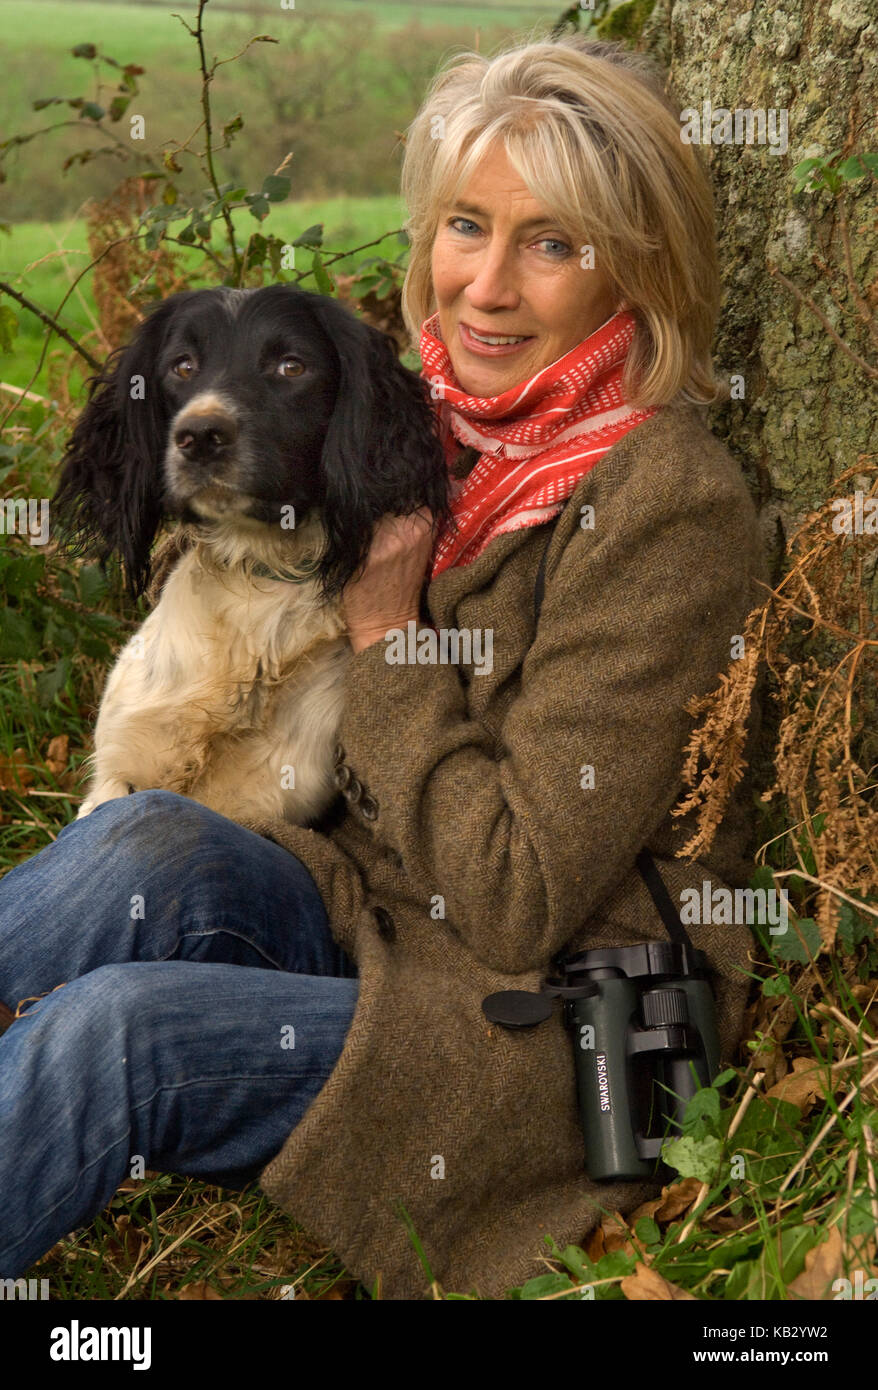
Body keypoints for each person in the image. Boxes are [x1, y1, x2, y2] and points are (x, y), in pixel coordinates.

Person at [0, 33, 767, 1299]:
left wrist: (383, 632)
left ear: (635, 272)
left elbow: (518, 896)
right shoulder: (431, 430)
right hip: (374, 929)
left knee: (115, 1033)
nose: (487, 287)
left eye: (553, 244)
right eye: (467, 225)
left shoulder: (663, 502)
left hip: (535, 1024)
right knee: (145, 843)